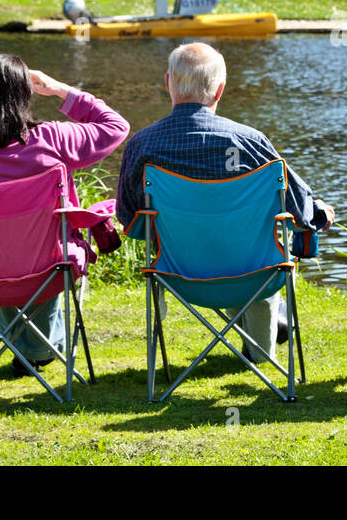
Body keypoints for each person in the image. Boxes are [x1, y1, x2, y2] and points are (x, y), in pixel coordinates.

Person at [115, 42, 335, 363]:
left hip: (178, 273)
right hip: (251, 270)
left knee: (243, 238)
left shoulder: (141, 145)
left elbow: (129, 218)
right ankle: (262, 350)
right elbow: (297, 203)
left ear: (167, 84)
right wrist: (317, 215)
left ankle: (258, 336)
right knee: (263, 240)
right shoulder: (250, 142)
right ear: (219, 90)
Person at [0, 55, 130, 376]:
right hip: (46, 270)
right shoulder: (52, 139)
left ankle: (27, 349)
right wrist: (60, 91)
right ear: (23, 97)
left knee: (3, 243)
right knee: (41, 248)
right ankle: (40, 349)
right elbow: (115, 126)